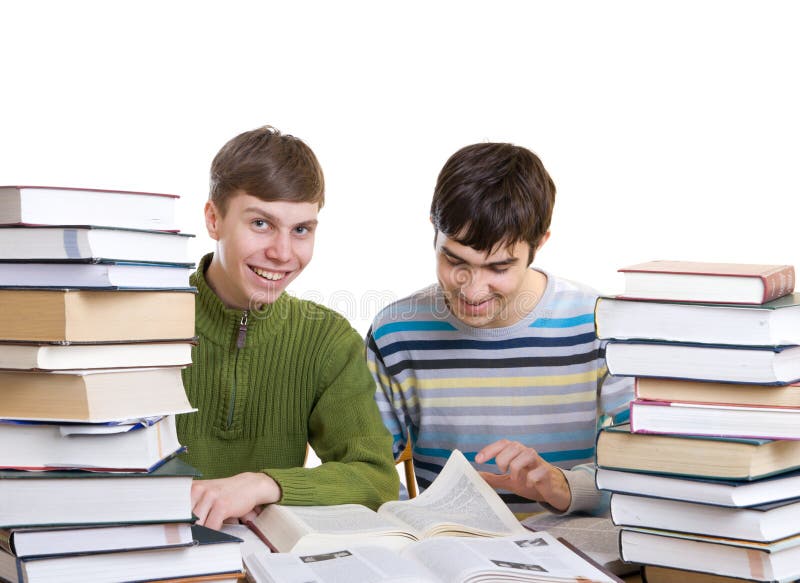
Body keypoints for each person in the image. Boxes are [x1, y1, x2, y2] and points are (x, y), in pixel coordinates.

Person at [367, 142, 633, 517]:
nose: (472, 290)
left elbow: (642, 473)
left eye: (499, 268)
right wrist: (407, 525)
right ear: (434, 231)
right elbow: (368, 468)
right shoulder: (395, 334)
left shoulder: (603, 326)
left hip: (576, 545)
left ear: (539, 244)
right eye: (454, 260)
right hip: (449, 544)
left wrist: (562, 486)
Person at [179, 125, 399, 530]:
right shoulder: (137, 322)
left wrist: (265, 484)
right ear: (214, 219)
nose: (282, 254)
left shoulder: (328, 340)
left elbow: (376, 479)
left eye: (301, 230)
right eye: (261, 224)